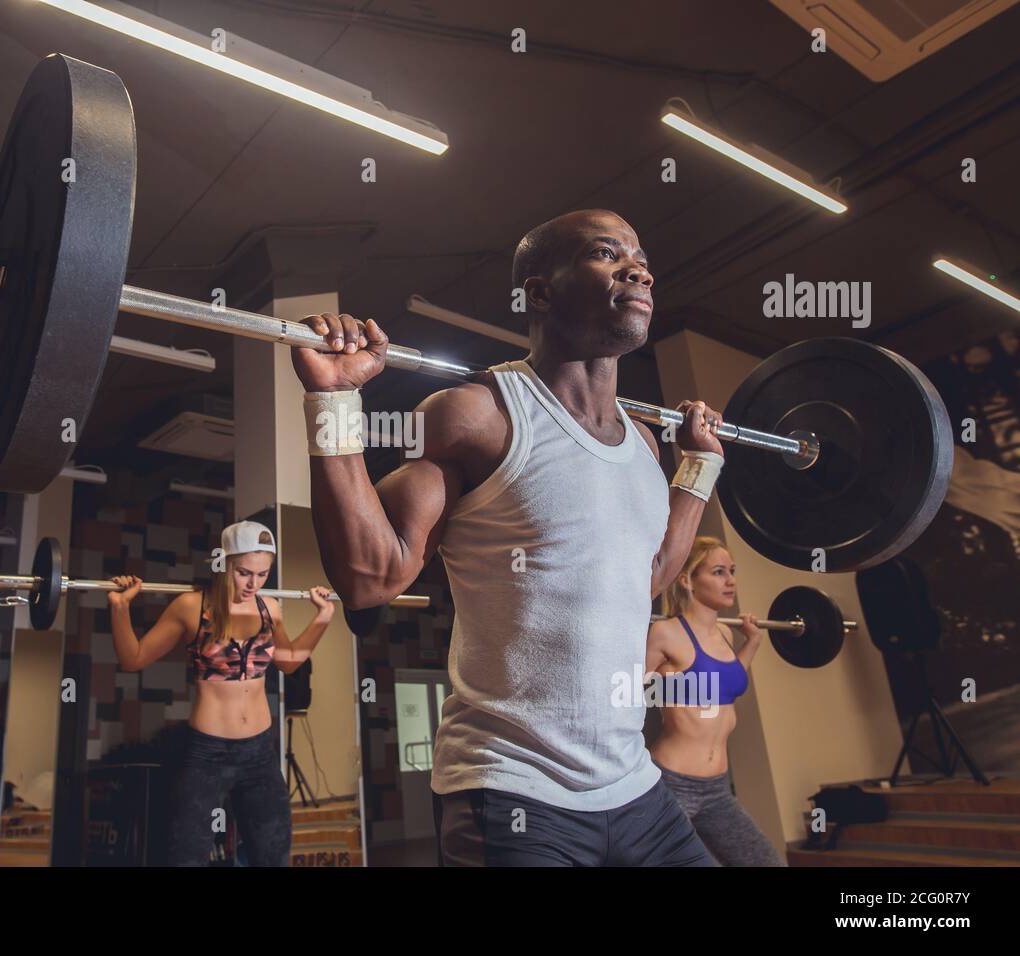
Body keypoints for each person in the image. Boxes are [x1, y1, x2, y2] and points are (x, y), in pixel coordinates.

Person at [290, 209, 726, 866]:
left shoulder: (642, 445)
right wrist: (333, 403)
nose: (639, 268)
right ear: (541, 291)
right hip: (517, 795)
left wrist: (698, 466)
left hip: (637, 791)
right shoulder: (478, 415)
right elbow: (369, 577)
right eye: (607, 253)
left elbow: (651, 575)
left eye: (639, 256)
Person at [107, 520, 334, 866]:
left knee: (273, 852)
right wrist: (120, 609)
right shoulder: (191, 606)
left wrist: (323, 617)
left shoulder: (269, 607)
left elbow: (288, 663)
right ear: (223, 563)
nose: (253, 584)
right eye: (244, 573)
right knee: (187, 855)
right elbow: (133, 659)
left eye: (262, 574)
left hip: (260, 752)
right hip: (208, 753)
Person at [645, 536, 786, 866]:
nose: (731, 580)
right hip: (671, 784)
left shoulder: (725, 633)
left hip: (718, 789)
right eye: (719, 572)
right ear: (687, 580)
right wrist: (666, 688)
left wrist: (751, 644)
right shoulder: (666, 633)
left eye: (732, 571)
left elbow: (726, 685)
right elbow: (626, 695)